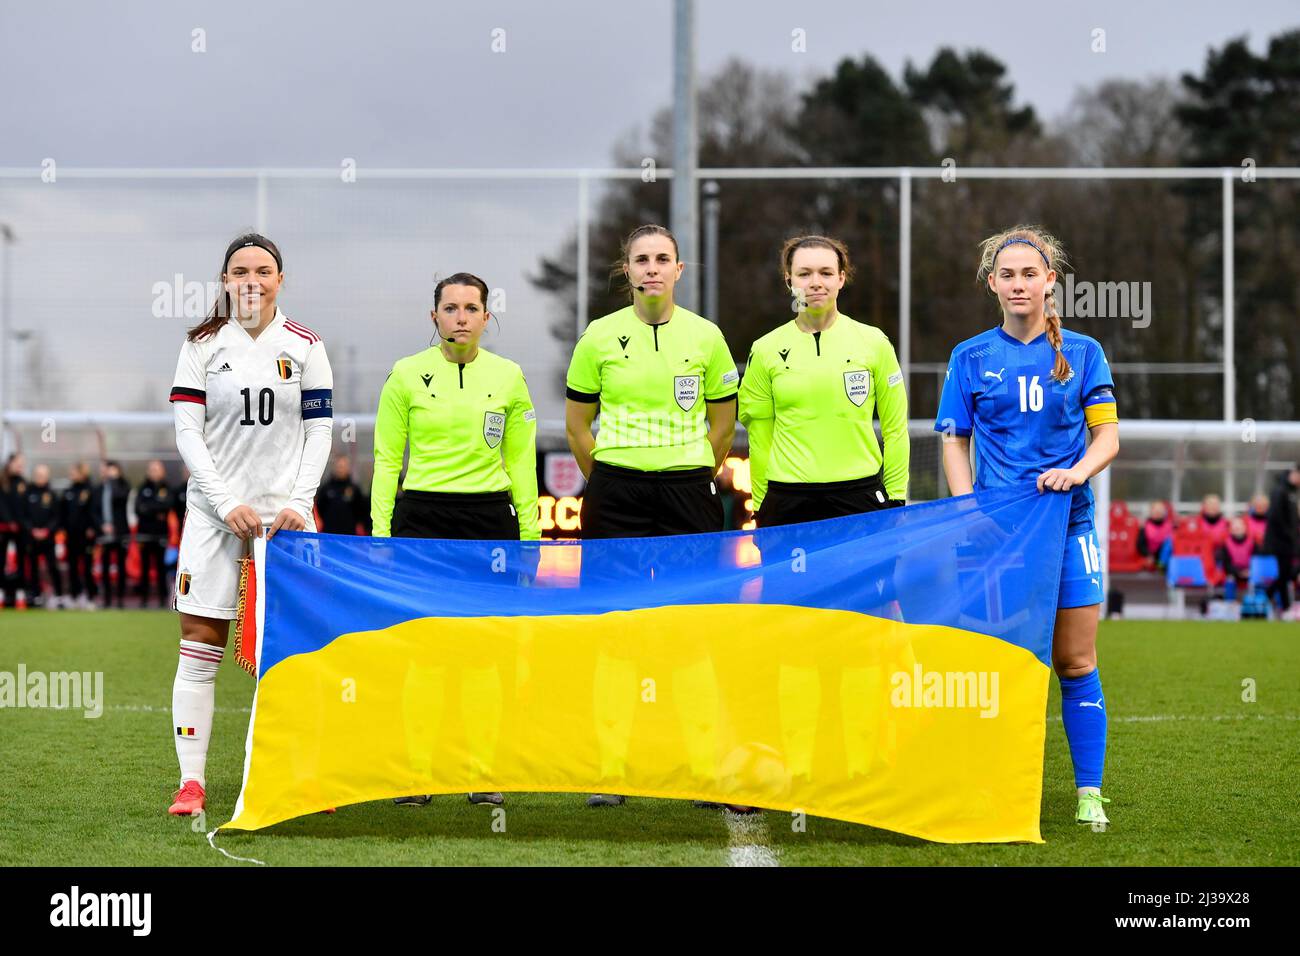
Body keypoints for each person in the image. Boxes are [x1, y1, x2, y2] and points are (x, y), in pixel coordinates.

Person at [935, 225, 1119, 828]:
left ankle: (1088, 792)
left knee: (1074, 660)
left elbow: (1107, 438)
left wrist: (1076, 473)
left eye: (1029, 274)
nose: (1019, 284)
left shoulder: (1085, 352)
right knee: (994, 664)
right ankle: (988, 787)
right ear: (992, 284)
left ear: (1050, 282)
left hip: (1069, 529)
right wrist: (968, 511)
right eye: (1007, 275)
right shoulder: (969, 357)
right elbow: (954, 443)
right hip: (994, 535)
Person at [565, 223, 738, 808]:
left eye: (663, 258)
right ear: (628, 270)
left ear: (679, 269)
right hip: (615, 494)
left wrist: (695, 471)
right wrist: (609, 477)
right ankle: (610, 772)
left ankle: (702, 770)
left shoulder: (708, 337)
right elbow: (577, 424)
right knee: (615, 631)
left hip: (688, 493)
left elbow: (722, 423)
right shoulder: (597, 337)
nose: (652, 269)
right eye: (642, 259)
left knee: (693, 631)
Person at [166, 233, 333, 816]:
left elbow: (319, 433)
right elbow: (188, 433)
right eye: (240, 271)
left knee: (296, 651)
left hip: (287, 524)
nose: (251, 280)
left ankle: (303, 779)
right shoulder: (201, 346)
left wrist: (300, 502)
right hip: (213, 519)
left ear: (280, 279)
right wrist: (223, 499)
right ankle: (192, 784)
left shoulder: (307, 346)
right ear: (225, 279)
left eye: (263, 270)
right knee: (201, 642)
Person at [372, 271, 539, 808]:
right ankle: (418, 773)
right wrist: (382, 538)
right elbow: (385, 462)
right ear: (434, 316)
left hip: (490, 523)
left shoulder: (509, 377)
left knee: (485, 655)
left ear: (487, 318)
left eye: (471, 308)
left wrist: (530, 535)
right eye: (451, 308)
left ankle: (483, 771)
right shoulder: (404, 375)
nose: (460, 317)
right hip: (422, 522)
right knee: (424, 652)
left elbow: (520, 460)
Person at [739, 235, 909, 525]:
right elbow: (760, 436)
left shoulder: (874, 343)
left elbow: (895, 429)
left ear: (841, 279)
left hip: (860, 499)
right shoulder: (765, 349)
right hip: (788, 502)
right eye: (804, 274)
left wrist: (895, 498)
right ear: (789, 280)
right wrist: (762, 504)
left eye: (826, 273)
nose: (815, 282)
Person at [23, 464, 66, 609]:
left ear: (47, 476)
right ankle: (36, 596)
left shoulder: (52, 494)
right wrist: (32, 530)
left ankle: (59, 597)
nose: (40, 477)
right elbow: (24, 516)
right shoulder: (28, 493)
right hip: (32, 537)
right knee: (33, 567)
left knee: (52, 566)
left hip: (48, 538)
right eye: (37, 474)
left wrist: (47, 530)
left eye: (42, 475)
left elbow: (57, 516)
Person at [1262, 465, 1300, 619]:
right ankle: (1281, 605)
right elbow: (1275, 516)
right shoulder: (1280, 491)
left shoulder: (1291, 493)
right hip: (1280, 542)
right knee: (1284, 574)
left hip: (1288, 541)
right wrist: (1289, 534)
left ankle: (1282, 606)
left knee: (1285, 574)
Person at [134, 460, 173, 608]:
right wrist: (157, 510)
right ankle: (143, 600)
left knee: (161, 567)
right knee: (144, 567)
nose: (154, 472)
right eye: (151, 469)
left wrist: (149, 508)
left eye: (157, 469)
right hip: (144, 534)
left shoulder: (167, 488)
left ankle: (163, 600)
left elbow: (167, 505)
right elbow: (138, 508)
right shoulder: (142, 488)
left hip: (161, 534)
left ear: (162, 471)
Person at [60, 462, 99, 610]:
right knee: (73, 566)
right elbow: (62, 513)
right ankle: (75, 596)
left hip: (86, 536)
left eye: (74, 471)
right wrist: (63, 528)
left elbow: (94, 511)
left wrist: (92, 528)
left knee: (88, 566)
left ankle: (90, 597)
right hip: (71, 536)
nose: (71, 474)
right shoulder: (68, 491)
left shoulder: (90, 490)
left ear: (82, 472)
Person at [96, 461, 131, 609]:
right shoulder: (99, 489)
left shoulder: (123, 485)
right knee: (104, 566)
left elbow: (120, 497)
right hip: (104, 534)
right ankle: (107, 599)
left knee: (121, 566)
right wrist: (102, 525)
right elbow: (94, 510)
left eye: (111, 470)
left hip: (121, 532)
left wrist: (113, 481)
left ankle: (120, 599)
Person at [316, 454, 369, 535]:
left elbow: (361, 511)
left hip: (349, 536)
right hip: (328, 535)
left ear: (348, 468)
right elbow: (320, 508)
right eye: (339, 466)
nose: (340, 469)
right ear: (335, 467)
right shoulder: (326, 488)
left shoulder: (354, 489)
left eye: (343, 466)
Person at [0, 454, 27, 608]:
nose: (20, 466)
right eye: (17, 463)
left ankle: (20, 594)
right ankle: (1, 593)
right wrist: (9, 521)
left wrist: (21, 523)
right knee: (2, 561)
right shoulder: (2, 482)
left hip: (20, 529)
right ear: (10, 463)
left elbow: (24, 507)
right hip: (4, 528)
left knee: (22, 561)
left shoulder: (23, 483)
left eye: (21, 464)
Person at [1216, 516, 1255, 601]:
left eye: (1240, 526)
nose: (1237, 529)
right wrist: (1239, 572)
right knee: (1230, 579)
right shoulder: (1225, 544)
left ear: (1245, 528)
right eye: (1234, 527)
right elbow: (1226, 565)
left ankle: (1256, 606)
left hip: (1250, 572)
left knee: (1257, 579)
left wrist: (1249, 571)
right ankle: (1230, 606)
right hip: (1234, 573)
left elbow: (1256, 561)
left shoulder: (1253, 543)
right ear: (1230, 529)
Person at [1136, 500, 1174, 571]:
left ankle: (1162, 566)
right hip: (1150, 556)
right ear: (1151, 512)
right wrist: (1148, 555)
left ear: (1164, 512)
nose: (1158, 513)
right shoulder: (1144, 526)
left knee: (1169, 543)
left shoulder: (1170, 526)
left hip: (1164, 557)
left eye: (1160, 511)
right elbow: (1140, 545)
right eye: (1156, 511)